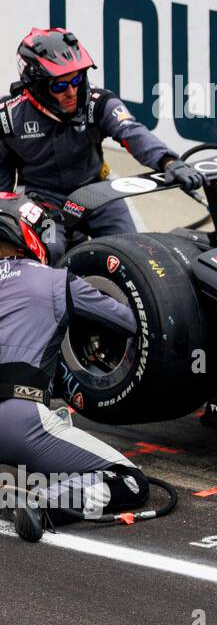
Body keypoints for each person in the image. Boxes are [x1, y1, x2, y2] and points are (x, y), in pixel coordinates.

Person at [0, 196, 148, 543]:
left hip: (21, 421)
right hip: (20, 421)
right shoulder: (55, 281)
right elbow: (128, 322)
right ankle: (44, 504)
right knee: (128, 480)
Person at [0, 28, 204, 261]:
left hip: (96, 192)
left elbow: (131, 132)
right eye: (59, 86)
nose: (72, 92)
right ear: (36, 86)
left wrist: (169, 162)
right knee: (44, 256)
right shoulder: (7, 118)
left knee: (137, 253)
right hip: (43, 202)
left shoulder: (99, 102)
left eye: (77, 80)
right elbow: (2, 190)